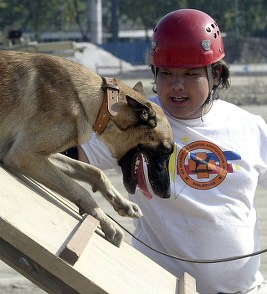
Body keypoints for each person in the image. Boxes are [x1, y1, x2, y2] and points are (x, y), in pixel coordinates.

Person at [77, 9, 267, 294]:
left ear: (215, 75)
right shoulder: (134, 121)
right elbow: (69, 158)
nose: (176, 85)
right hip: (157, 288)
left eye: (190, 74)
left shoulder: (250, 127)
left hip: (246, 290)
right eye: (166, 73)